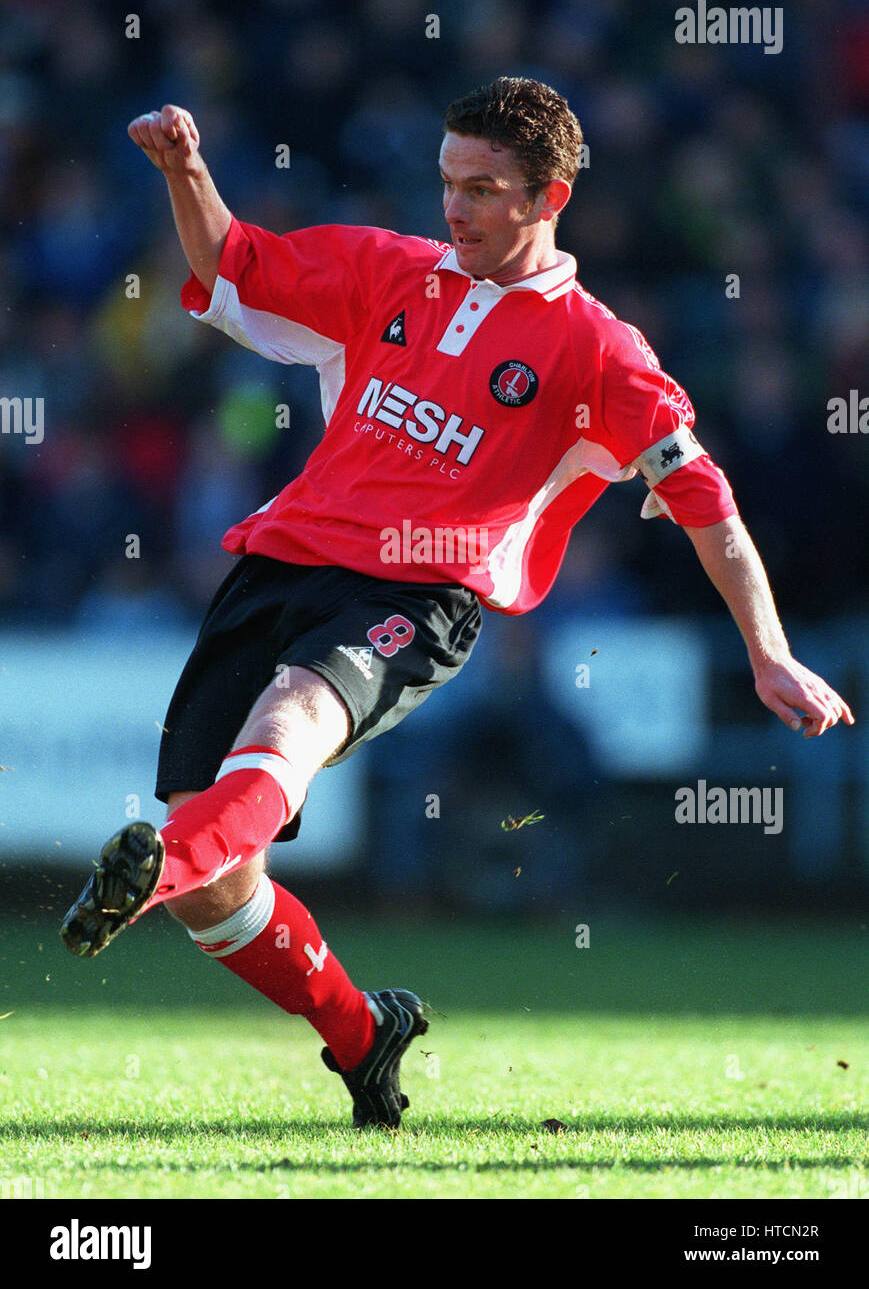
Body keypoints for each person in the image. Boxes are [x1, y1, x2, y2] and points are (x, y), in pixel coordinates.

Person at [60, 77, 853, 1128]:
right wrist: (185, 173)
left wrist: (766, 651)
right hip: (278, 564)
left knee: (291, 717)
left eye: (483, 189)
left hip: (421, 589)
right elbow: (231, 264)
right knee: (222, 882)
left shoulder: (599, 352)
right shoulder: (384, 270)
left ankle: (157, 870)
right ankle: (358, 1030)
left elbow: (705, 504)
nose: (455, 207)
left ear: (548, 197)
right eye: (447, 181)